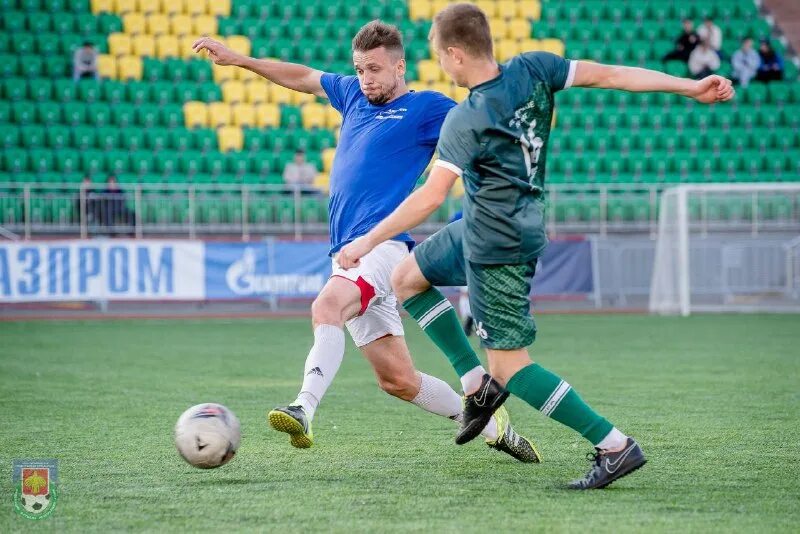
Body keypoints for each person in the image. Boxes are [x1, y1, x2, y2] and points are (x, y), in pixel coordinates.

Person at [338, 3, 733, 489]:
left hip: (497, 245)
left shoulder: (467, 119)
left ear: (457, 55)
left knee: (512, 368)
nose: (441, 66)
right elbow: (609, 75)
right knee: (406, 278)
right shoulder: (534, 68)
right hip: (500, 223)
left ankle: (614, 445)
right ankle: (472, 383)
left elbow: (432, 196)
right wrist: (690, 86)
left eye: (441, 57)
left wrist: (368, 240)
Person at [192, 22, 540, 462]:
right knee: (397, 381)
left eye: (374, 70)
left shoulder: (428, 108)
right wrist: (242, 60)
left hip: (382, 246)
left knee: (326, 306)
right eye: (359, 70)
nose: (365, 79)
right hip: (348, 252)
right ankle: (494, 426)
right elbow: (302, 76)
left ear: (400, 66)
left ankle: (303, 407)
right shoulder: (354, 96)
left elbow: (476, 129)